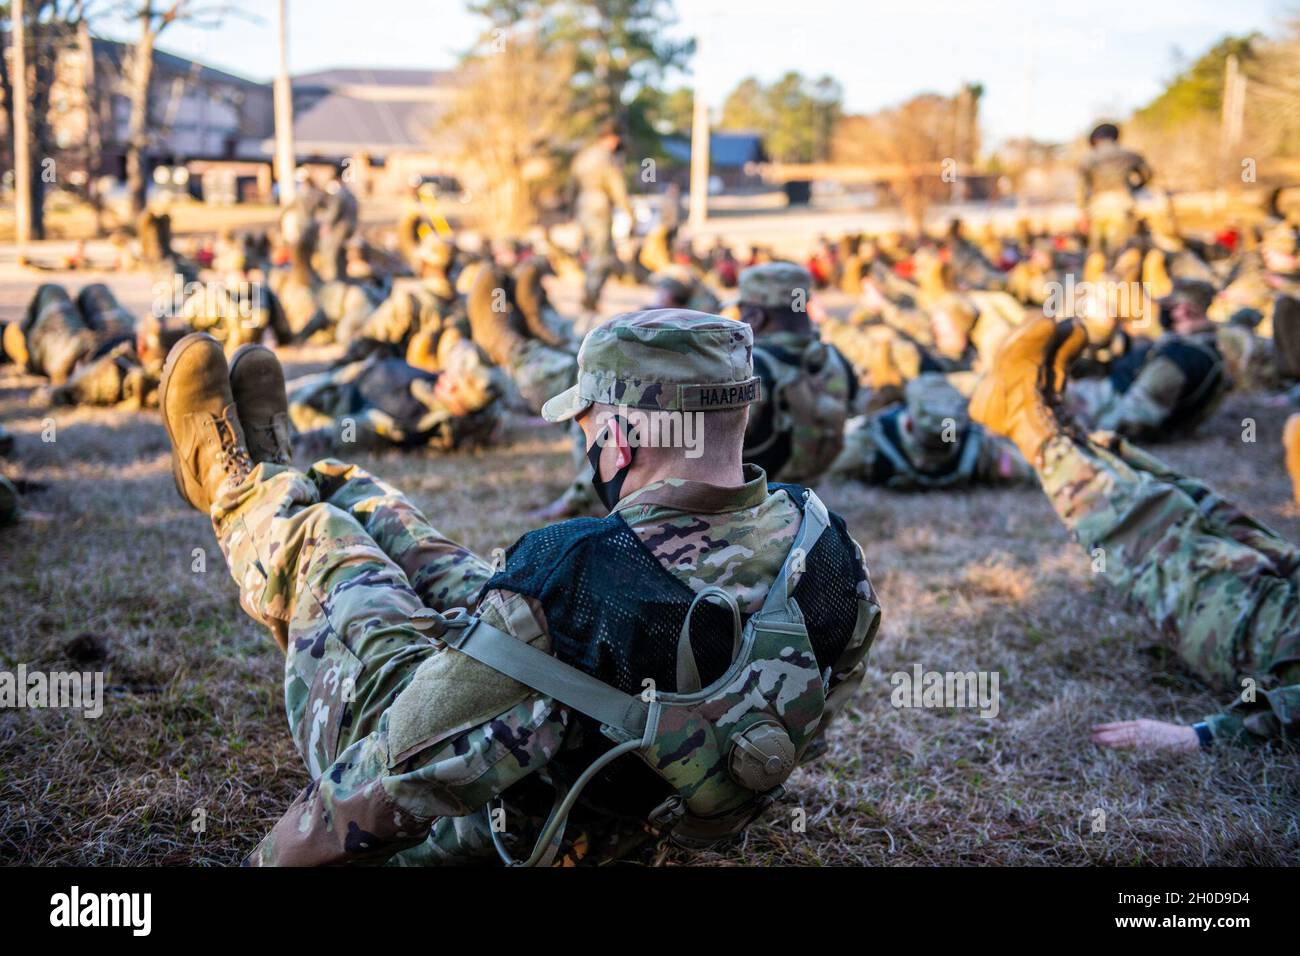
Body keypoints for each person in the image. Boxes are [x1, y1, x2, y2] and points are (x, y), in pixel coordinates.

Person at [156, 310, 879, 864]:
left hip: (504, 829)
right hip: (632, 799)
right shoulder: (823, 545)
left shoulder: (574, 575)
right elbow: (803, 715)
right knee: (404, 528)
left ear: (621, 438)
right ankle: (303, 474)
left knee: (332, 552)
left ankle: (239, 488)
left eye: (590, 427)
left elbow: (391, 778)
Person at [969, 315, 1298, 750]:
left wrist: (1202, 737)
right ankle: (1057, 423)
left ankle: (1031, 424)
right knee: (1190, 502)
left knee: (1149, 533)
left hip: (1273, 638)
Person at [1063, 277, 1230, 441]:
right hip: (1104, 396)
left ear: (1184, 309)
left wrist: (1081, 425)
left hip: (1105, 408)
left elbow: (1133, 417)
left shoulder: (1182, 359)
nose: (1166, 313)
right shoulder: (1194, 346)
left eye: (1170, 307)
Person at [737, 262, 857, 483]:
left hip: (753, 491)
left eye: (742, 310)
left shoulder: (750, 366)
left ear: (756, 317)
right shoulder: (835, 358)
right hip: (807, 484)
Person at [829, 373, 1034, 490]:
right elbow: (1020, 473)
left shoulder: (870, 441)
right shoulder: (978, 449)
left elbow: (829, 474)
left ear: (909, 421)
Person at [571, 121, 632, 312]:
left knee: (590, 253)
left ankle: (589, 293)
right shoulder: (606, 157)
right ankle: (591, 295)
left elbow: (572, 183)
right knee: (602, 255)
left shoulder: (584, 156)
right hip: (599, 205)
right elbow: (616, 185)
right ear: (612, 138)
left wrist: (570, 209)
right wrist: (628, 211)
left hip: (583, 204)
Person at [1077, 122, 1153, 259]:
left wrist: (1083, 213)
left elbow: (1082, 189)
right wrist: (1134, 188)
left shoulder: (1088, 158)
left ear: (1095, 140)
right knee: (1122, 252)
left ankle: (1098, 278)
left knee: (1097, 253)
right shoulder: (1130, 155)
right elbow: (1147, 175)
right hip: (1123, 203)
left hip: (1098, 207)